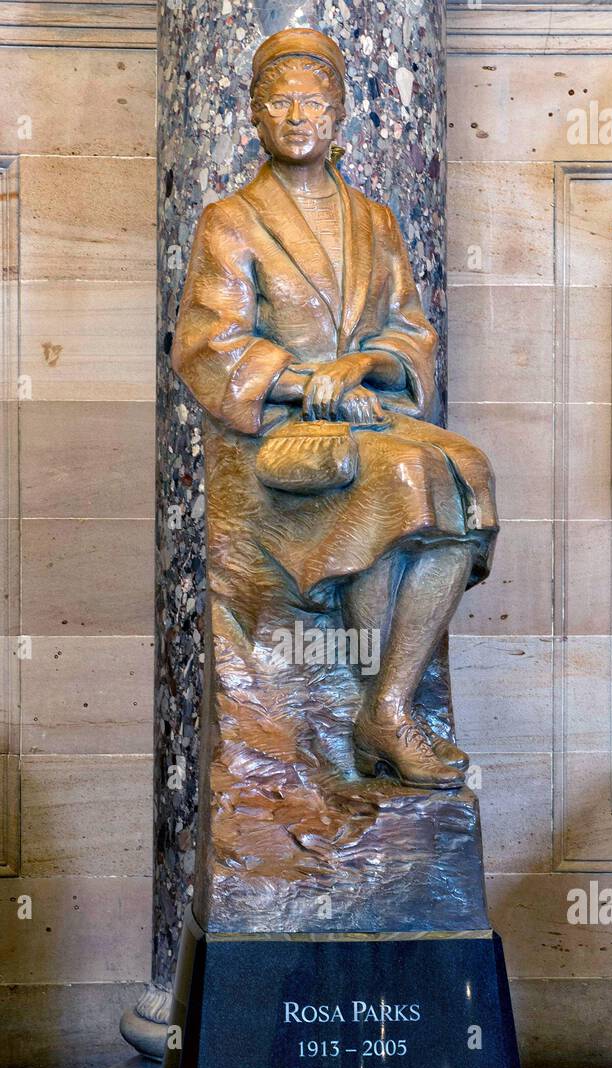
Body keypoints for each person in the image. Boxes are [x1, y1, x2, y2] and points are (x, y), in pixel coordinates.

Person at [172, 27, 498, 791]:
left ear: (339, 114)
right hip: (282, 437)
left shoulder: (374, 220)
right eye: (278, 104)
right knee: (408, 477)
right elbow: (206, 345)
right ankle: (378, 710)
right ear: (254, 117)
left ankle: (385, 705)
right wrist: (303, 380)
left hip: (367, 415)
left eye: (312, 104)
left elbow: (410, 330)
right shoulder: (232, 219)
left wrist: (365, 363)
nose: (296, 118)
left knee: (467, 471)